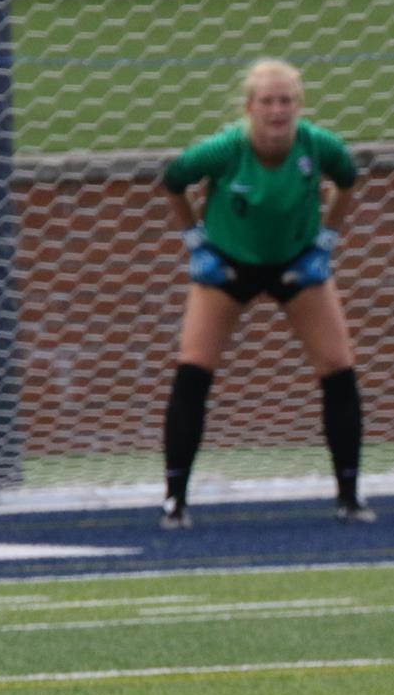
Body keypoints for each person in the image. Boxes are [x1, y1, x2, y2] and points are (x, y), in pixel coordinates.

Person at [157, 59, 372, 529]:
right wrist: (195, 242)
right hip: (227, 264)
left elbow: (349, 181)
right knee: (193, 368)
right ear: (250, 107)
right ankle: (174, 498)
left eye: (286, 101)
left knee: (338, 366)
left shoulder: (317, 147)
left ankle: (349, 496)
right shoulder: (225, 149)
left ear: (299, 106)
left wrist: (325, 243)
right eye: (268, 102)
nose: (277, 111)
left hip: (296, 264)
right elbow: (173, 179)